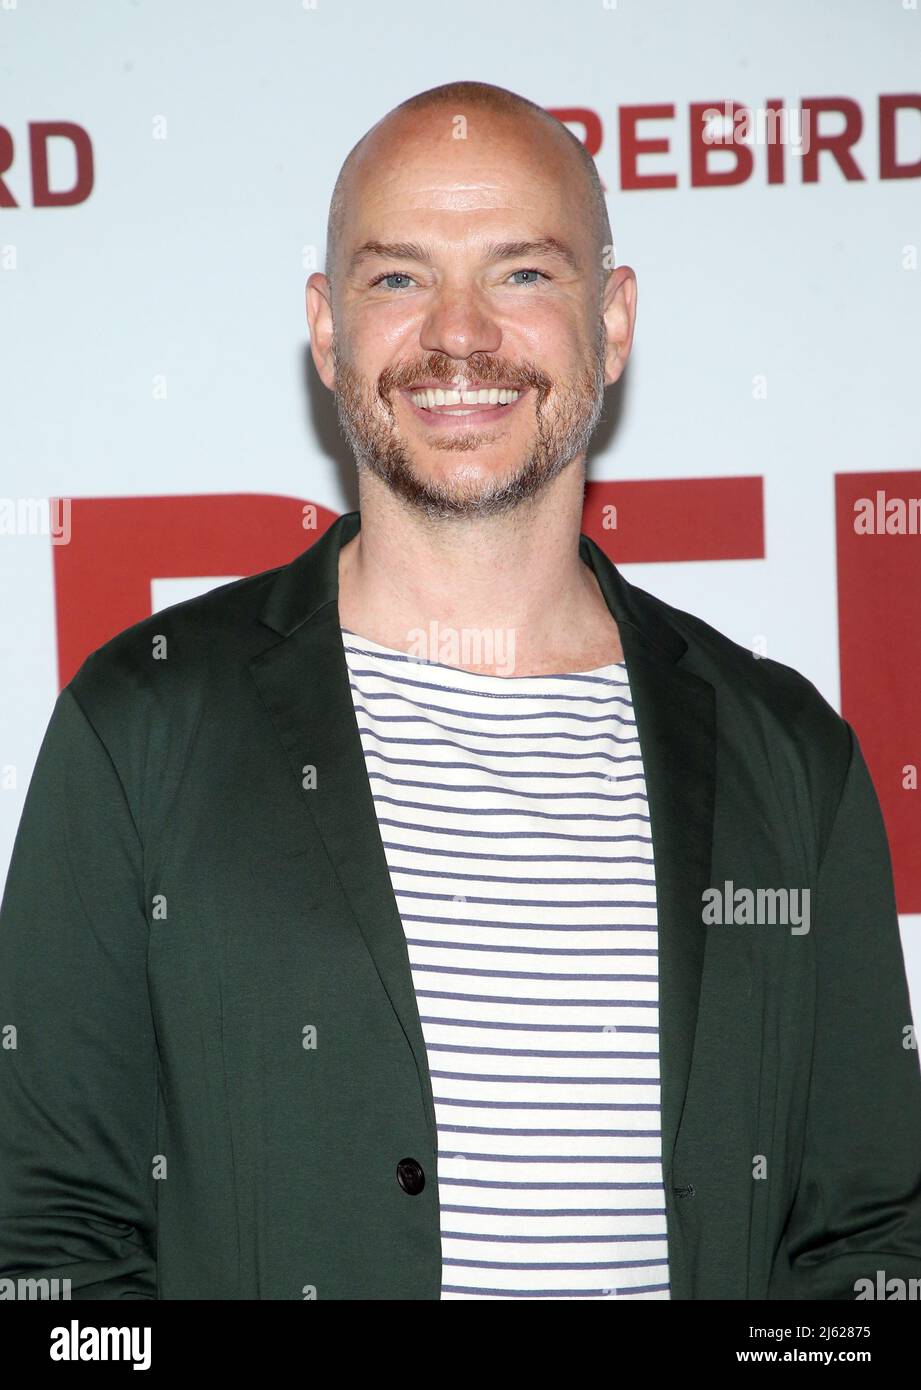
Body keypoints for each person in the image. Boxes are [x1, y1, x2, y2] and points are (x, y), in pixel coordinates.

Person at [1, 80, 919, 1301]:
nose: (461, 335)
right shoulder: (142, 723)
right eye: (398, 279)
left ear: (616, 318)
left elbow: (869, 1243)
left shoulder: (787, 754)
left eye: (523, 274)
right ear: (327, 330)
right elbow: (48, 1252)